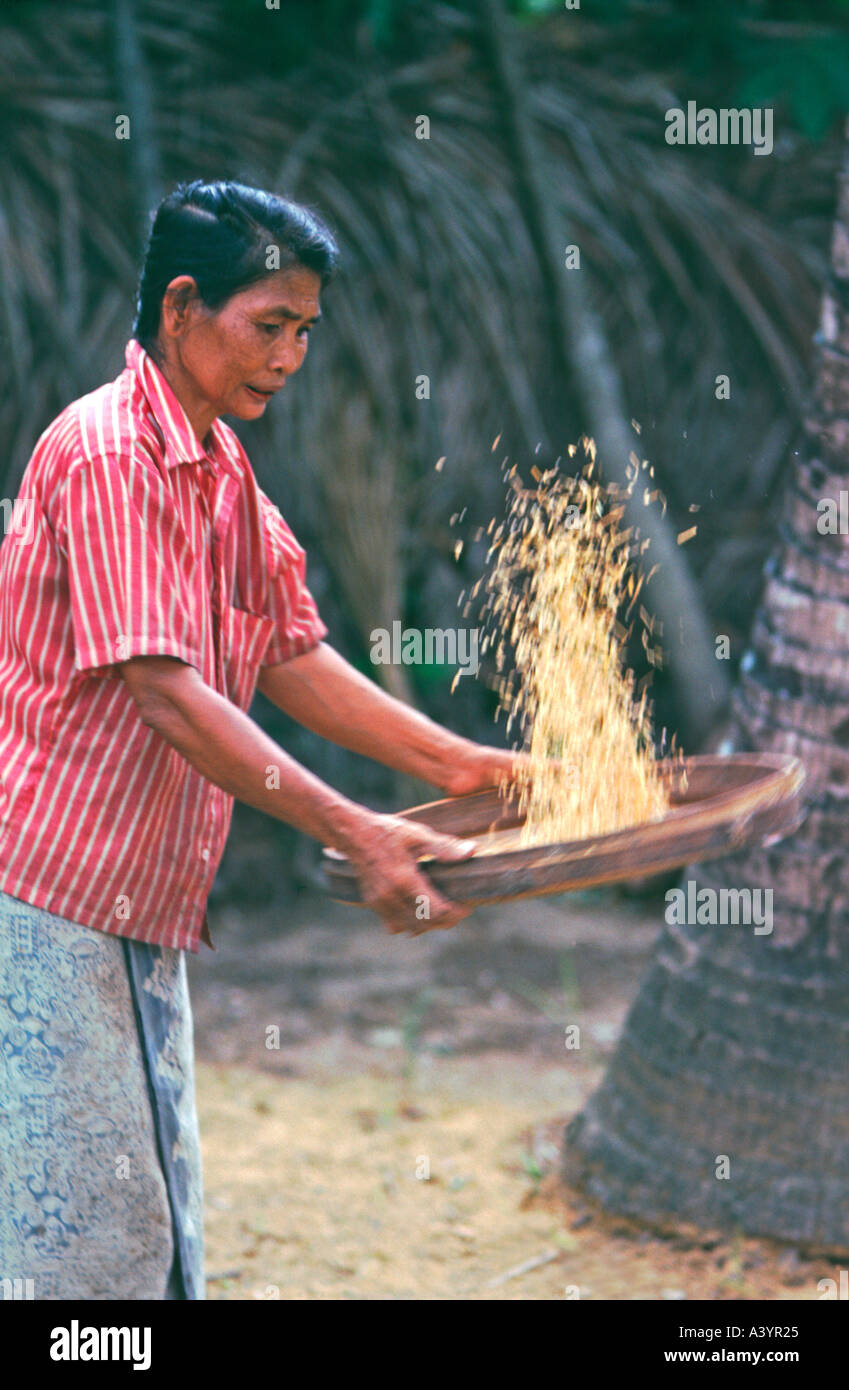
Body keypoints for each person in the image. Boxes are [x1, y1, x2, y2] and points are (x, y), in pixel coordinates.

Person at [0, 180, 522, 1300]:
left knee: (145, 1230)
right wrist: (352, 824)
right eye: (268, 324)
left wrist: (459, 766)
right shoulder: (105, 454)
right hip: (42, 900)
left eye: (303, 332)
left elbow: (288, 650)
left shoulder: (219, 465)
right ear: (182, 308)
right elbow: (168, 692)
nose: (289, 357)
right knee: (79, 1253)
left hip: (131, 900)